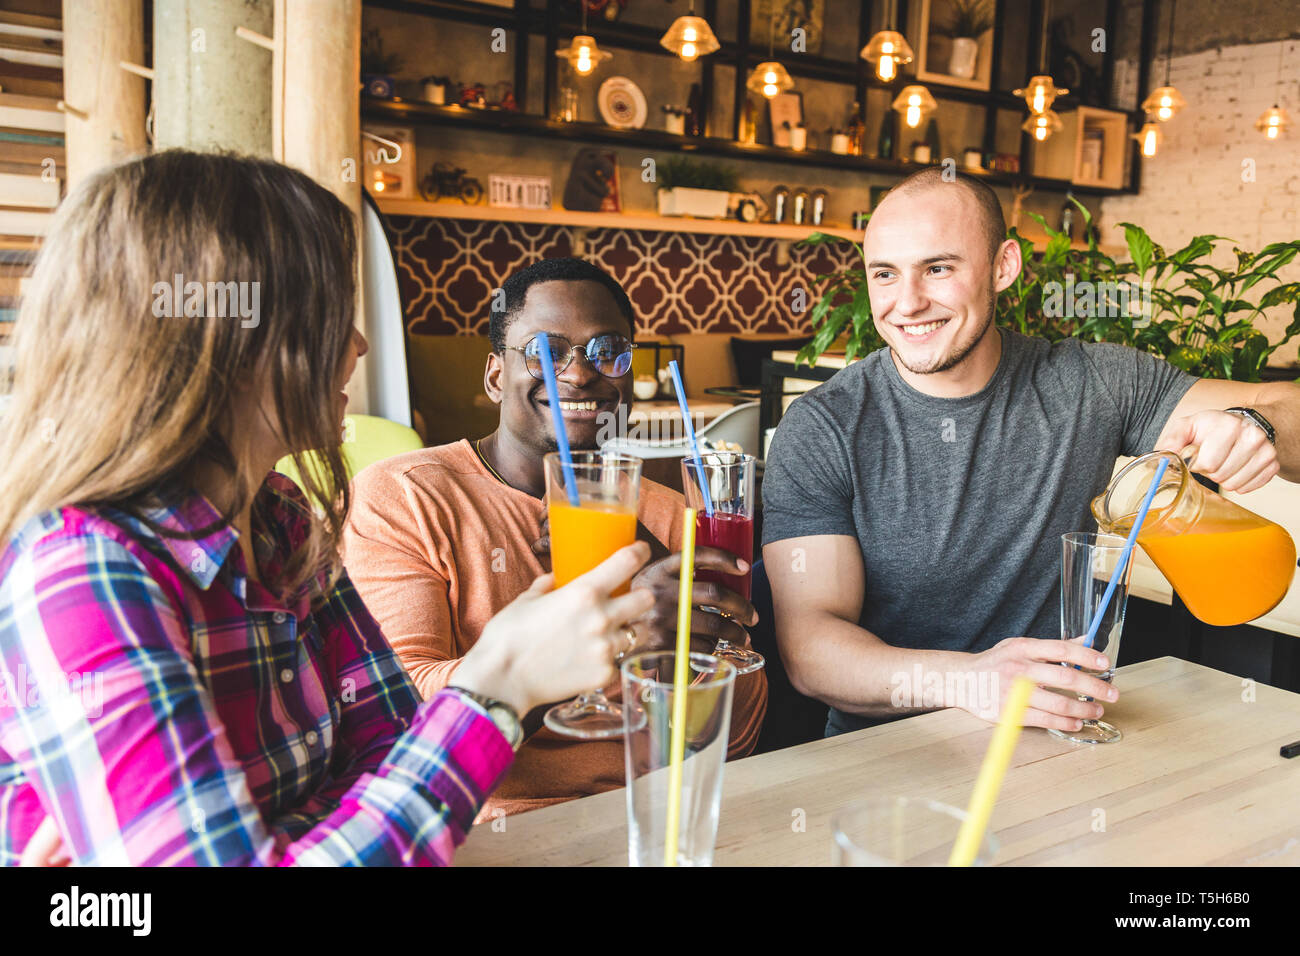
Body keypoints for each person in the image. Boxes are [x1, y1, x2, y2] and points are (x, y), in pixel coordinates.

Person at [0, 151, 655, 866]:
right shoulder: (85, 572)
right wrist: (498, 683)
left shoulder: (279, 520)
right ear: (225, 340)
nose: (358, 344)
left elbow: (390, 750)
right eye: (326, 316)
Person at [762, 167, 1298, 737]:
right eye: (885, 274)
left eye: (938, 268)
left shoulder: (1093, 383)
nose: (908, 302)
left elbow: (1285, 404)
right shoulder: (826, 426)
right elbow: (811, 648)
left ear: (1003, 267)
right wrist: (971, 681)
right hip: (885, 763)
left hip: (1056, 744)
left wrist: (1258, 424)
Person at [344, 257, 768, 817]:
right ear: (497, 376)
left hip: (652, 819)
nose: (578, 373)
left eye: (606, 350)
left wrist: (688, 649)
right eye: (548, 349)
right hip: (485, 827)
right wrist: (608, 641)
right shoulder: (406, 496)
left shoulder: (667, 515)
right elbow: (397, 711)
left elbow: (735, 741)